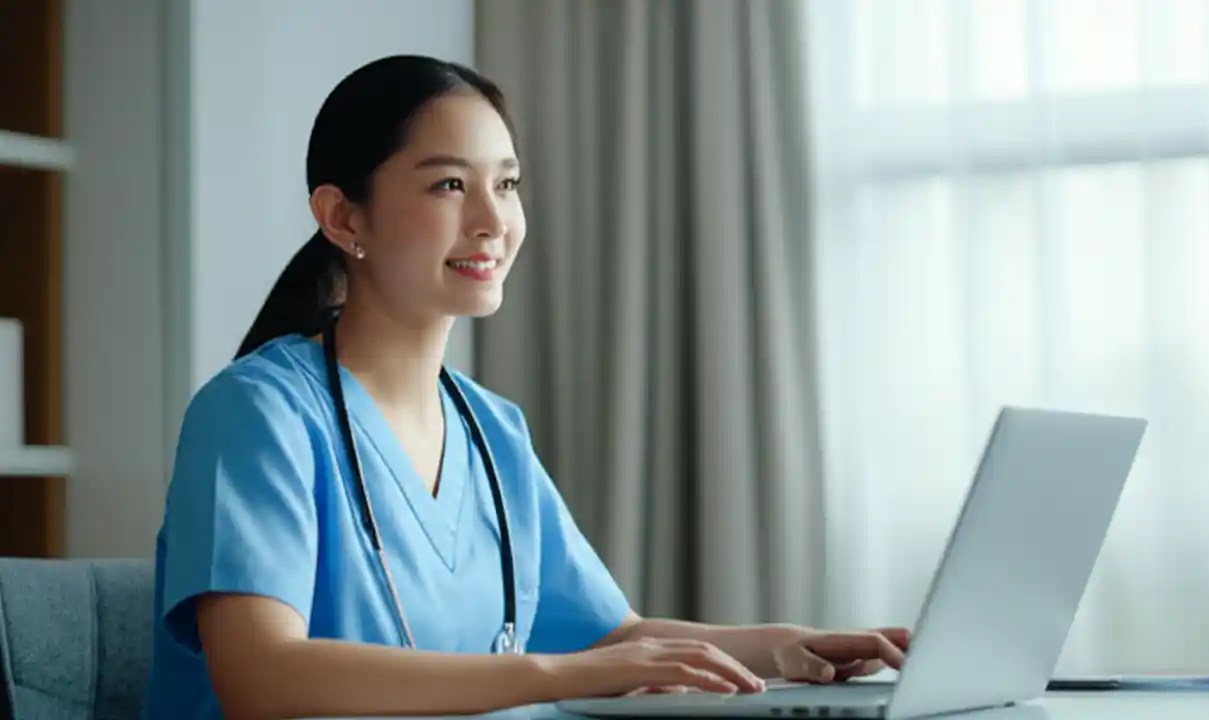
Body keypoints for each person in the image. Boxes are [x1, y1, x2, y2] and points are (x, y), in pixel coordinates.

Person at [143, 55, 909, 720]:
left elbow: (609, 638)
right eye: (449, 184)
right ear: (343, 217)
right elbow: (260, 678)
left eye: (506, 185)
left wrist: (779, 646)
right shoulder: (256, 413)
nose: (492, 221)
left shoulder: (490, 428)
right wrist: (557, 677)